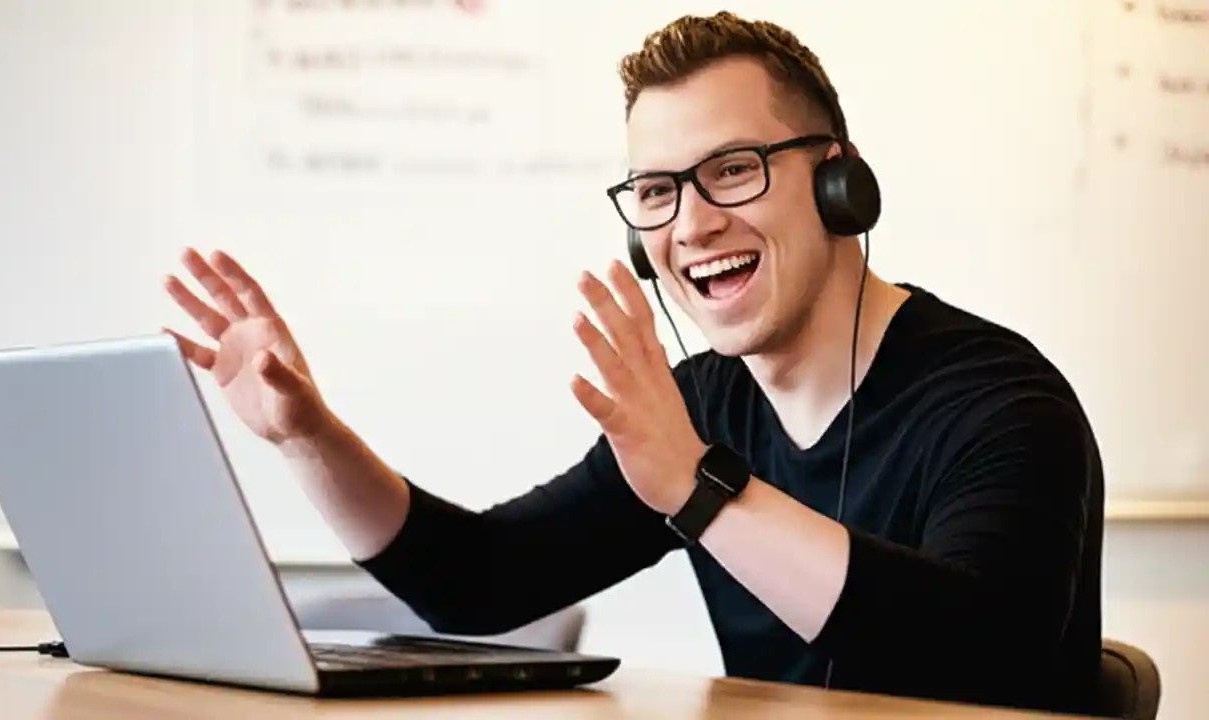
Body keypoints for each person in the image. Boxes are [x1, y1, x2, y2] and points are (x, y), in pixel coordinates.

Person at [162, 11, 1103, 715]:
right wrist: (308, 436)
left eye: (733, 168)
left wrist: (700, 492)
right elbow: (479, 583)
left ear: (837, 181)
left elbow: (985, 668)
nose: (692, 224)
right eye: (658, 191)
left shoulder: (1002, 406)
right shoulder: (699, 409)